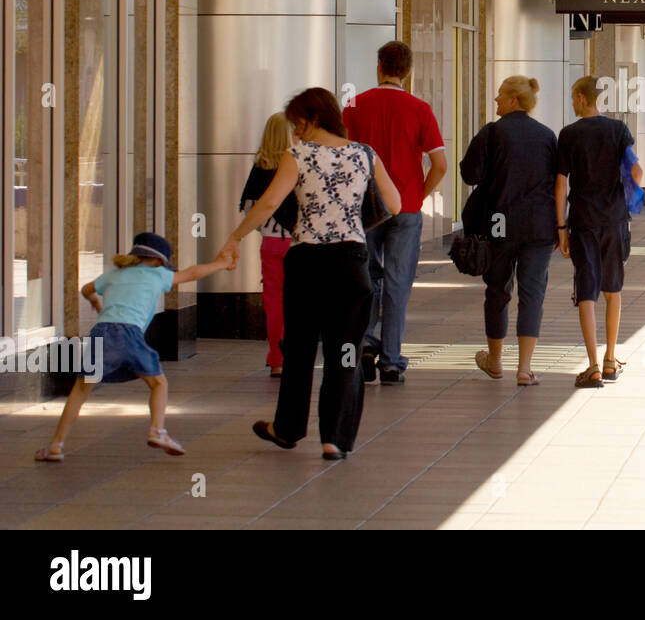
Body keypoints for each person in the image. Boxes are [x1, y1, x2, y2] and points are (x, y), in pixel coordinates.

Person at [222, 88, 401, 461]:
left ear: (313, 118)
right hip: (351, 263)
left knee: (300, 349)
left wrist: (235, 236)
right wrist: (353, 223)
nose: (295, 132)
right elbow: (395, 203)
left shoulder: (298, 155)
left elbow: (270, 202)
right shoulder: (365, 154)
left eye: (298, 123)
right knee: (346, 351)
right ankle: (335, 438)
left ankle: (287, 429)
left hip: (307, 261)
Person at [34, 233, 234, 462]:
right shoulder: (158, 274)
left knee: (80, 390)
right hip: (129, 332)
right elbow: (191, 273)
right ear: (159, 261)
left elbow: (86, 289)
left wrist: (96, 301)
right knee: (158, 383)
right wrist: (221, 263)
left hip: (100, 332)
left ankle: (56, 445)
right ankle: (157, 430)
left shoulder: (113, 274)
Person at [343, 41, 447, 387]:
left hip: (365, 207)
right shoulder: (420, 108)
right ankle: (391, 360)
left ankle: (366, 346)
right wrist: (418, 194)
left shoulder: (355, 105)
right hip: (406, 207)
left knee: (366, 279)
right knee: (398, 283)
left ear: (379, 66)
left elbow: (343, 155)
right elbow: (440, 164)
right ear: (408, 71)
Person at [460, 76, 557, 387]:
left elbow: (469, 173)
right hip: (539, 227)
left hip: (499, 223)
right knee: (532, 294)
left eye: (500, 95)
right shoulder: (546, 136)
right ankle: (525, 368)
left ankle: (496, 360)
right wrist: (559, 226)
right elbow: (557, 182)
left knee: (498, 290)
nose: (495, 100)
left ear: (514, 100)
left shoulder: (492, 133)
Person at [555, 75, 642, 389]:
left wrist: (561, 228)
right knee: (613, 289)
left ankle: (592, 366)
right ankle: (609, 359)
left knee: (586, 292)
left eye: (572, 96)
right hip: (614, 220)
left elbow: (561, 183)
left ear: (580, 97)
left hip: (582, 221)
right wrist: (633, 194)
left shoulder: (569, 135)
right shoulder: (617, 130)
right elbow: (635, 169)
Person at [239, 113, 297, 377]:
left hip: (270, 245)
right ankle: (297, 354)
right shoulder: (298, 164)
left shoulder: (259, 168)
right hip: (298, 246)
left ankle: (277, 359)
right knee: (299, 302)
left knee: (273, 303)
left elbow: (251, 208)